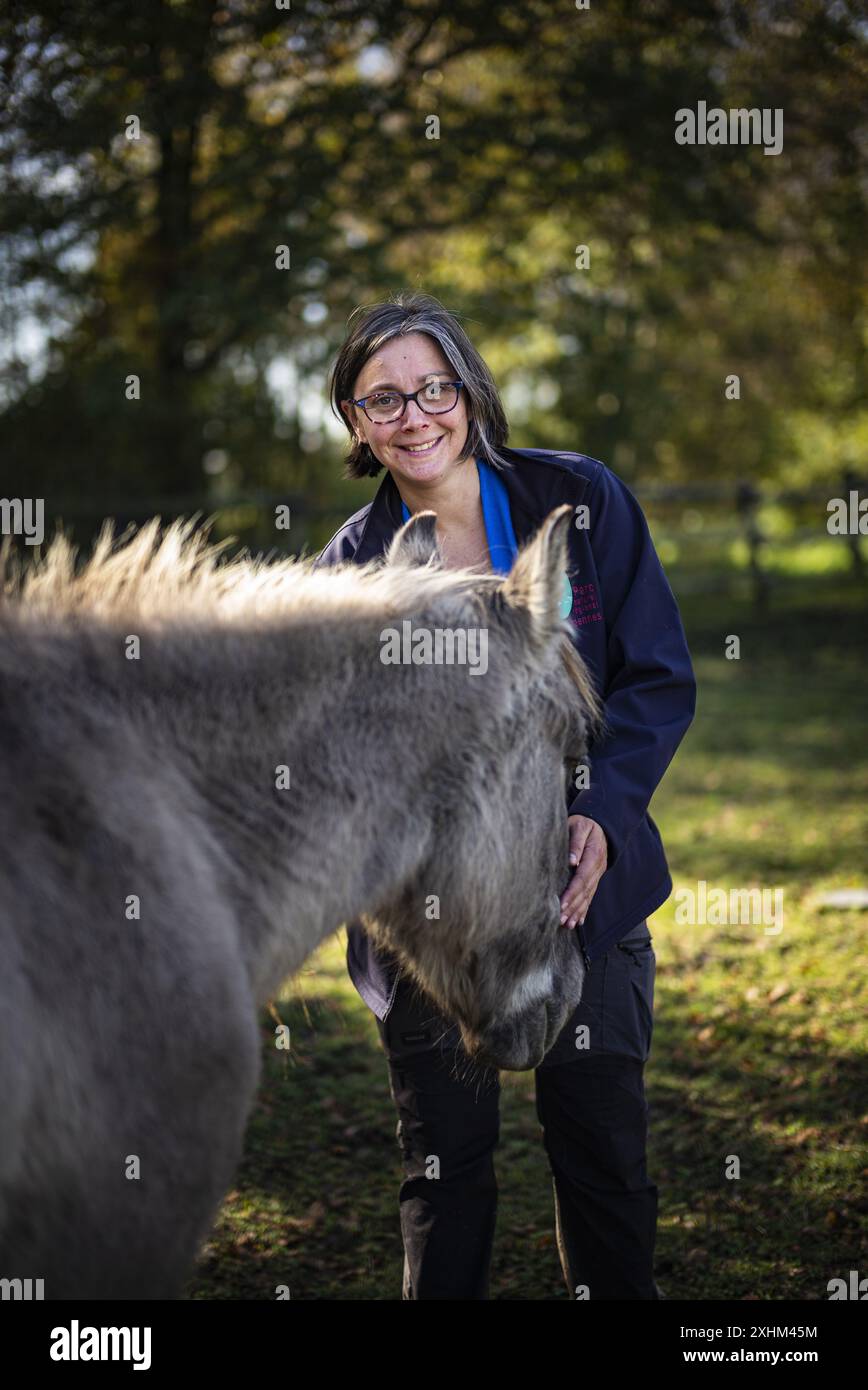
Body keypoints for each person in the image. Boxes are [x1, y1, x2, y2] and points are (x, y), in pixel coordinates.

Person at [313, 291, 697, 1300]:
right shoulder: (345, 572)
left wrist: (604, 813)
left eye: (433, 387)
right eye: (382, 399)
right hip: (429, 935)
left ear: (470, 392)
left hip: (584, 902)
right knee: (444, 1181)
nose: (415, 415)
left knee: (606, 1166)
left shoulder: (579, 499)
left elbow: (656, 675)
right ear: (353, 421)